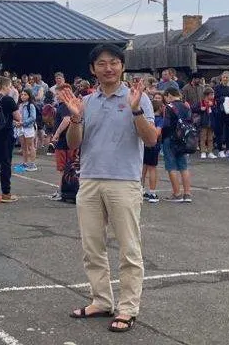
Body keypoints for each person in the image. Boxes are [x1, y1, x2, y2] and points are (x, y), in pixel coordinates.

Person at [62, 44, 156, 334]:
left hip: (124, 181)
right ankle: (101, 300)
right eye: (101, 64)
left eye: (114, 62)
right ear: (93, 70)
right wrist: (76, 117)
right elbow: (73, 143)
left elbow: (151, 139)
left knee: (129, 249)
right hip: (89, 180)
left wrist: (136, 109)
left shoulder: (137, 99)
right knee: (92, 247)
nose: (108, 68)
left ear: (122, 66)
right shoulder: (87, 103)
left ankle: (128, 309)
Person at [160, 88, 194, 203]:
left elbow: (166, 125)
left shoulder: (169, 107)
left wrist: (161, 137)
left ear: (168, 95)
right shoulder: (186, 106)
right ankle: (187, 193)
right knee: (184, 167)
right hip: (184, 139)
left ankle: (177, 193)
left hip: (170, 138)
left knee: (171, 166)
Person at [141, 100, 163, 203]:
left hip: (143, 144)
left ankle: (141, 189)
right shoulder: (159, 120)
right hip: (153, 145)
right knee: (152, 168)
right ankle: (152, 193)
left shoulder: (145, 118)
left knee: (143, 168)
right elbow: (157, 133)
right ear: (159, 108)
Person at [18, 89, 38, 171]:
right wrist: (16, 122)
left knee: (30, 146)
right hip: (20, 128)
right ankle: (25, 162)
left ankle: (32, 164)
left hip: (28, 128)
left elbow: (33, 117)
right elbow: (17, 115)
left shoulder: (31, 105)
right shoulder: (20, 105)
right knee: (23, 146)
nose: (23, 96)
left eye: (25, 94)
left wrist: (23, 123)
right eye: (22, 94)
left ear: (29, 96)